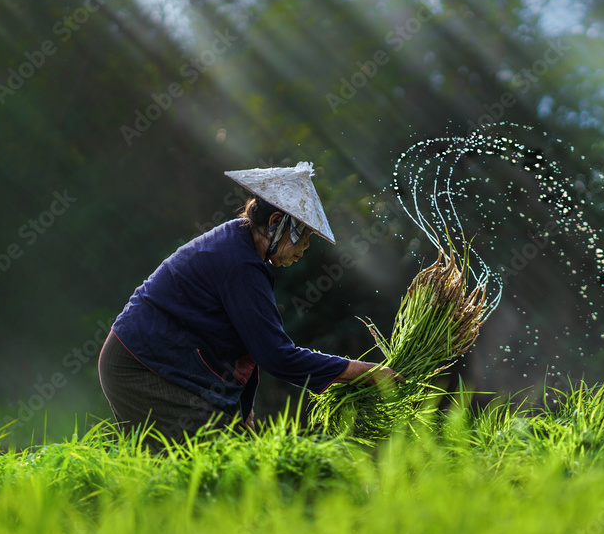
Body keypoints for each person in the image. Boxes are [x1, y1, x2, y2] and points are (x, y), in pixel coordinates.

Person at [97, 162, 402, 445]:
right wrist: (366, 372)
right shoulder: (240, 263)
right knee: (217, 460)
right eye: (303, 237)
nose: (304, 249)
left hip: (148, 360)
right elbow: (277, 356)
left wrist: (243, 409)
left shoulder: (240, 246)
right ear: (275, 222)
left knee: (212, 463)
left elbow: (248, 345)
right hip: (139, 365)